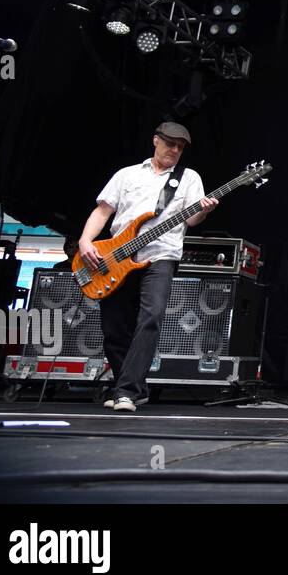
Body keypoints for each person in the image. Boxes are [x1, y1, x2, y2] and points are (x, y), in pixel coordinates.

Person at [76, 122, 218, 411]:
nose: (175, 150)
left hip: (161, 256)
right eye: (170, 143)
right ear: (156, 141)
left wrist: (204, 211)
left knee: (150, 318)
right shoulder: (126, 174)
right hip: (116, 257)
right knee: (114, 328)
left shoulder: (189, 178)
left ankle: (125, 391)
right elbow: (103, 210)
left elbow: (191, 220)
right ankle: (136, 388)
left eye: (180, 147)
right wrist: (85, 241)